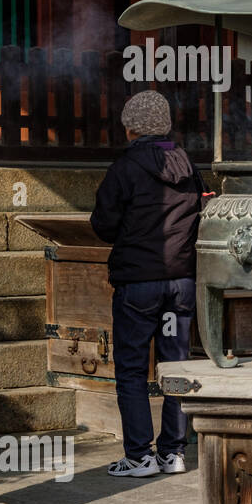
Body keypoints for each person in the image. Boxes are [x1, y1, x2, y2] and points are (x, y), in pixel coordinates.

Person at [91, 91, 207, 478]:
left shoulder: (123, 169)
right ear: (166, 126)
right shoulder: (188, 166)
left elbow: (103, 225)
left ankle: (139, 456)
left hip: (138, 284)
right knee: (175, 365)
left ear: (130, 128)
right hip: (182, 282)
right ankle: (173, 453)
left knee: (132, 369)